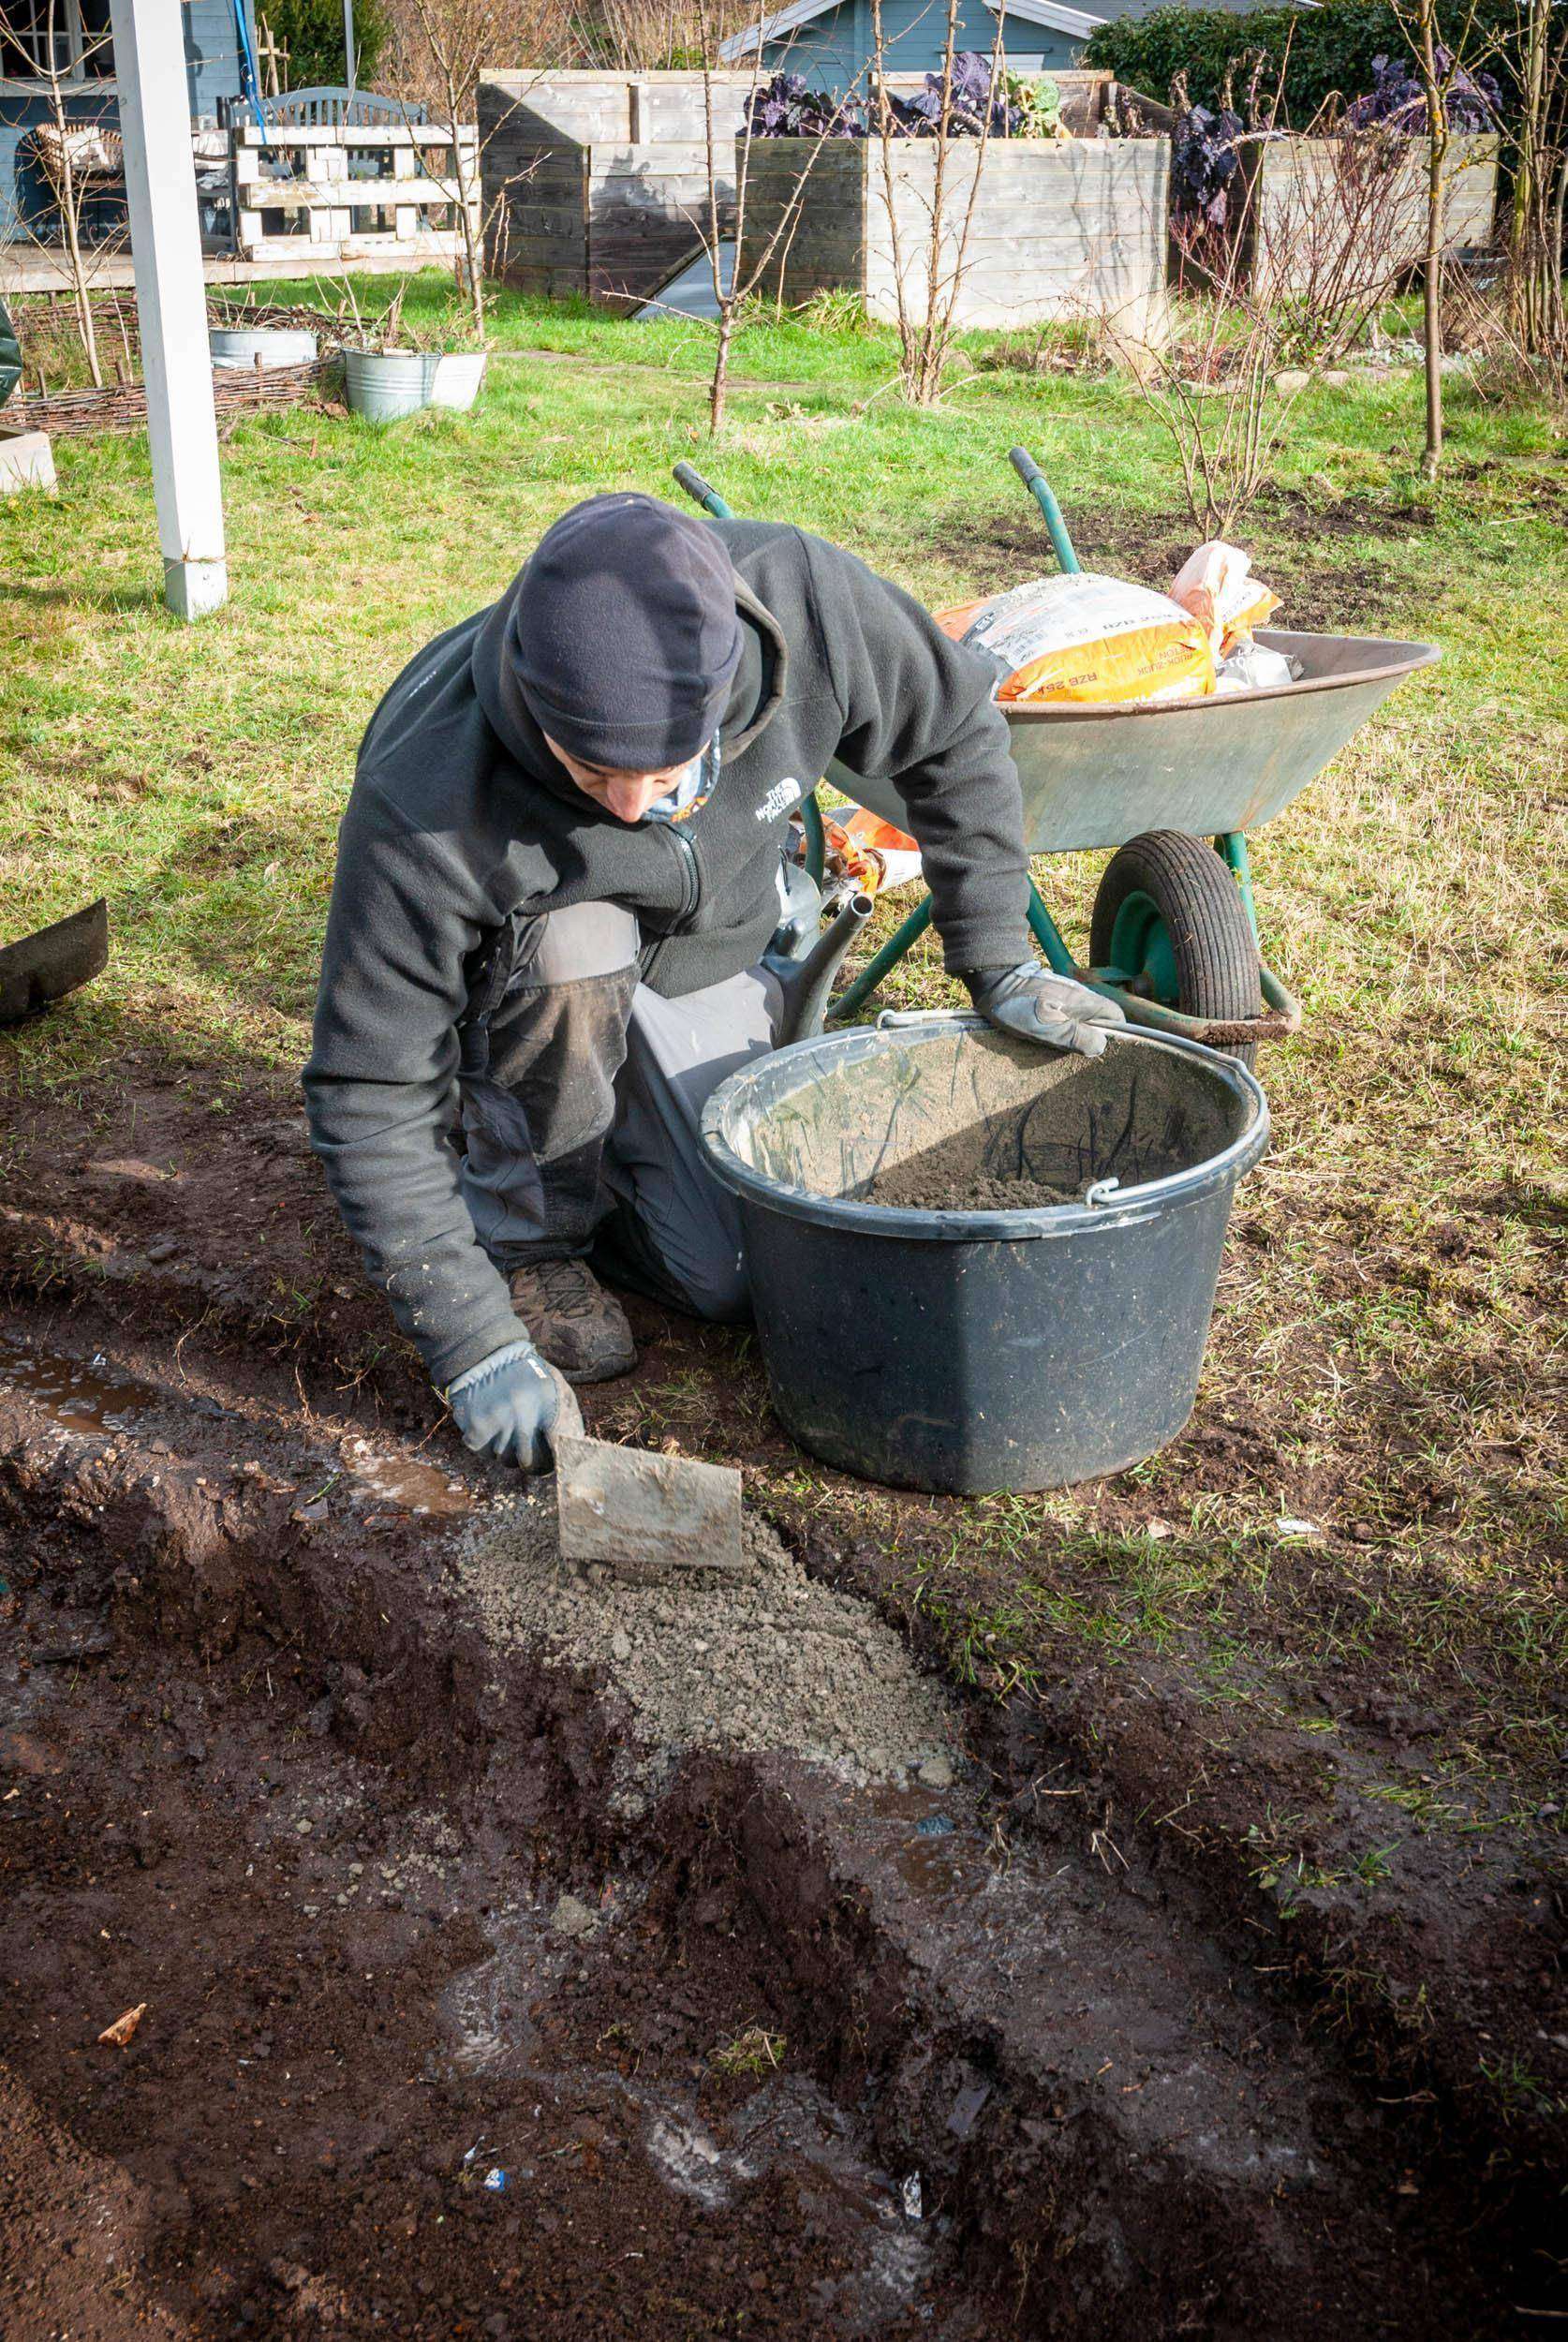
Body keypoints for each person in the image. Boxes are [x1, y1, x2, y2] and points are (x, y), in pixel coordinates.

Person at [303, 493, 1122, 1471]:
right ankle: (532, 1237)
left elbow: (954, 730)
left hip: (711, 947)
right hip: (543, 975)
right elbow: (369, 1087)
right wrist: (471, 1341)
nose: (634, 806)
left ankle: (611, 1145)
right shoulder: (429, 791)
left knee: (733, 1276)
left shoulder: (809, 603)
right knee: (573, 947)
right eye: (594, 773)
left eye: (663, 772)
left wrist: (997, 956)